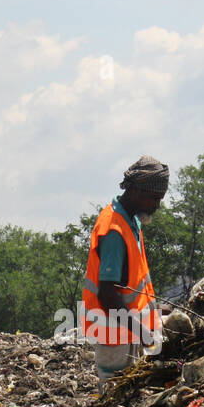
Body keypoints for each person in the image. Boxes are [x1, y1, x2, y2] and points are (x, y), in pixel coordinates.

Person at [82, 156, 167, 383]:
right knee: (114, 404)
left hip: (128, 333)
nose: (157, 206)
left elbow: (134, 287)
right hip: (114, 336)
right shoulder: (114, 231)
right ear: (137, 191)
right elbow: (108, 295)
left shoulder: (131, 222)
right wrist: (143, 333)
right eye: (154, 199)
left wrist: (159, 312)